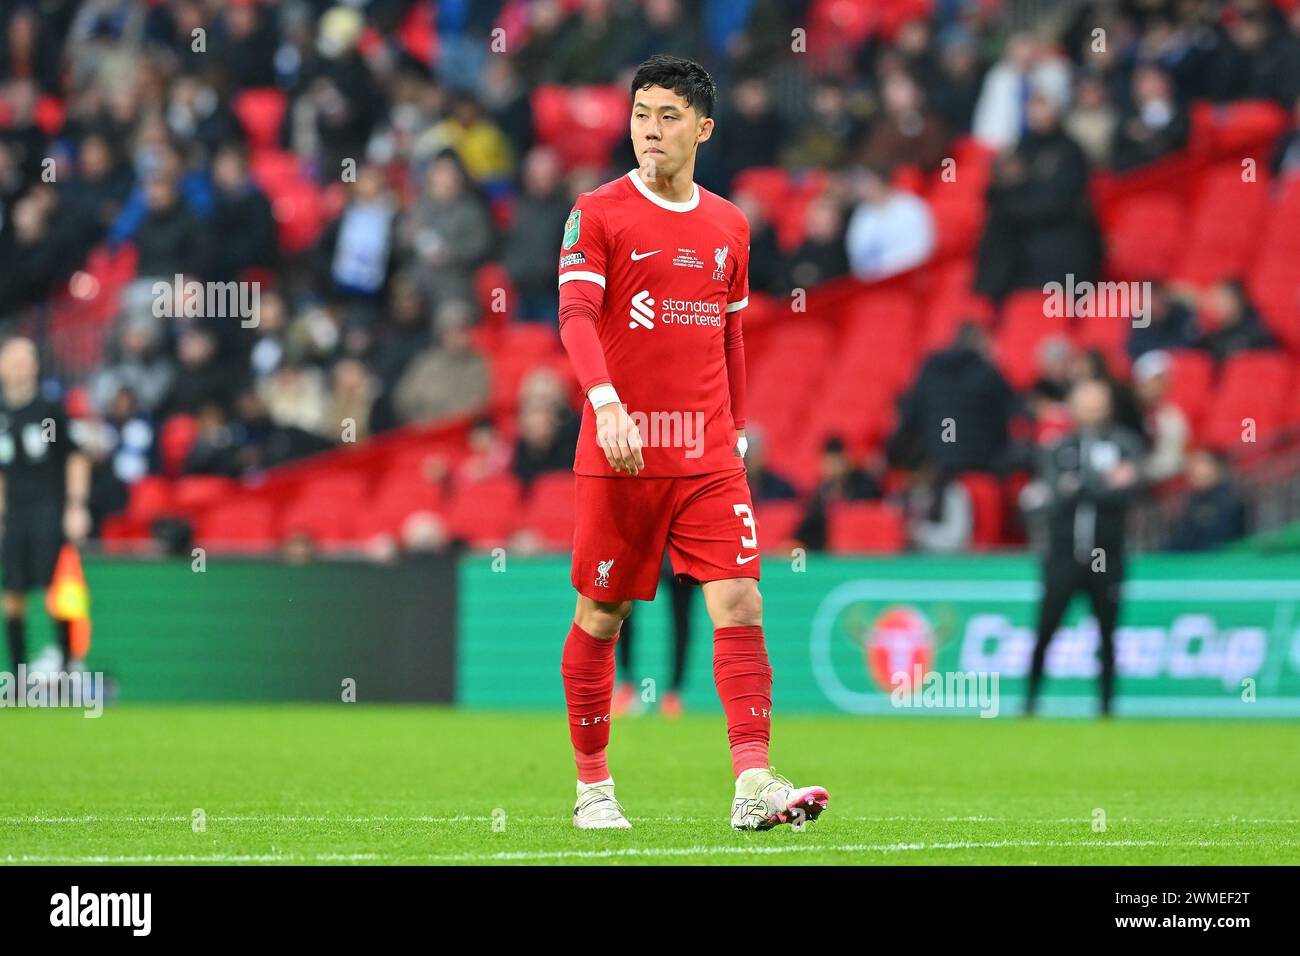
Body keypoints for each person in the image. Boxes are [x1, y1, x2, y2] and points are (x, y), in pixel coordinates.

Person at [554, 55, 828, 832]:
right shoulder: (597, 212)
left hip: (706, 451)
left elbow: (732, 333)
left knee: (741, 600)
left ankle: (752, 783)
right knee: (601, 613)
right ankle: (594, 789)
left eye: (669, 115)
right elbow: (575, 317)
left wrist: (736, 430)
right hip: (624, 450)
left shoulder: (728, 223)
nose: (651, 129)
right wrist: (605, 402)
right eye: (642, 113)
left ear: (702, 129)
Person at [1023, 380, 1144, 718]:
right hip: (1062, 556)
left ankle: (1106, 708)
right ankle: (1029, 703)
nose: (1092, 408)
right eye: (1085, 401)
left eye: (1098, 401)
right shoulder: (1058, 448)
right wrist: (1101, 483)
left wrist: (1081, 486)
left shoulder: (1124, 444)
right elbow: (1053, 498)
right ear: (1073, 406)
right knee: (1045, 629)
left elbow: (1128, 493)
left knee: (1107, 634)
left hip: (1106, 557)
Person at [0, 338, 91, 673]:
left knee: (57, 589)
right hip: (15, 513)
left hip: (48, 509)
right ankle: (19, 674)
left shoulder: (49, 411)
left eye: (25, 360)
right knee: (12, 592)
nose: (19, 367)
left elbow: (75, 457)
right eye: (12, 360)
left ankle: (68, 666)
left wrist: (76, 506)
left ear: (36, 367)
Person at [1166, 449, 1246, 551]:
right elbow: (1178, 541)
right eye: (1193, 464)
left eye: (1201, 464)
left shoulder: (1229, 500)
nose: (1194, 470)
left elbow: (1219, 541)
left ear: (1216, 468)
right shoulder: (1192, 500)